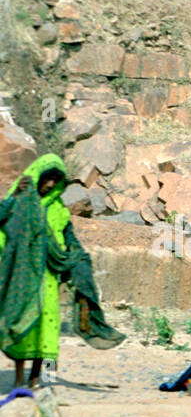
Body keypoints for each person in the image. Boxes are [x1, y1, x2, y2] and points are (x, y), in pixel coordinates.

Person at [0, 154, 124, 388]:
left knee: (46, 327)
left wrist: (79, 263)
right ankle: (18, 379)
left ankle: (36, 378)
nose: (49, 185)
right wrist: (15, 196)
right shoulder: (19, 200)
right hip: (21, 277)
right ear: (38, 177)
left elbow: (69, 240)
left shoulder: (59, 210)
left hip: (48, 278)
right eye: (47, 179)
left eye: (55, 181)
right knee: (20, 326)